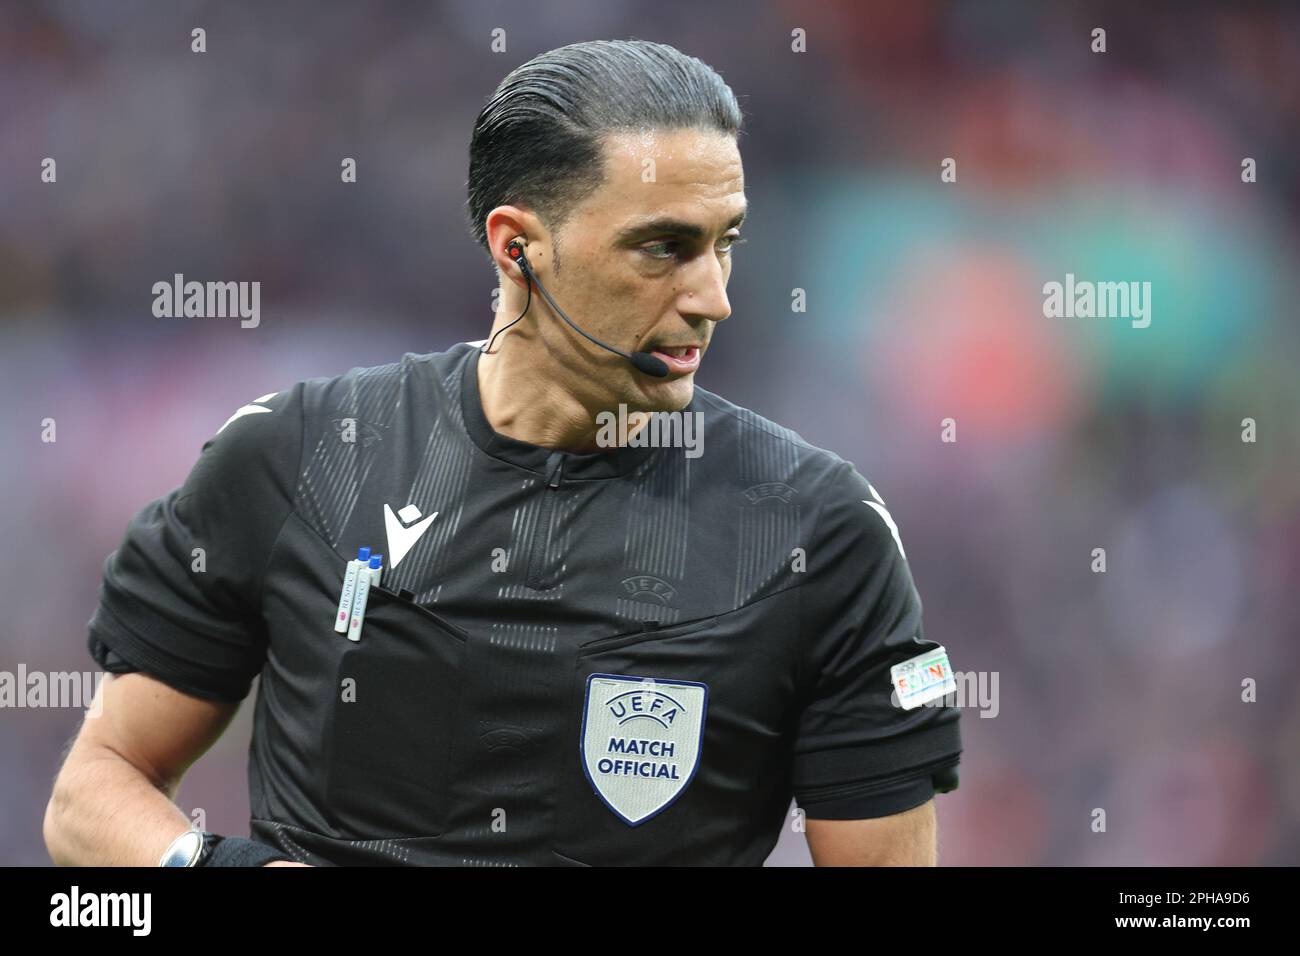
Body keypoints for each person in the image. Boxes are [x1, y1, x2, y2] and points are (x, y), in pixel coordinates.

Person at [44, 38, 961, 867]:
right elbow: (95, 790)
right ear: (518, 247)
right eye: (664, 250)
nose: (713, 297)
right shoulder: (303, 456)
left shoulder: (817, 529)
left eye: (724, 245)